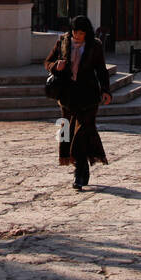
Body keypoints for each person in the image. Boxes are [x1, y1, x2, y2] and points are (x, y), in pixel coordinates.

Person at [45, 16, 112, 189]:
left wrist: (106, 90)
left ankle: (79, 174)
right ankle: (81, 170)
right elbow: (48, 62)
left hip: (88, 97)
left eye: (81, 33)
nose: (77, 36)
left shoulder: (95, 46)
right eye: (75, 32)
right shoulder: (63, 42)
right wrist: (56, 66)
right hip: (67, 97)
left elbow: (101, 71)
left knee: (81, 133)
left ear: (86, 33)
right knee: (66, 132)